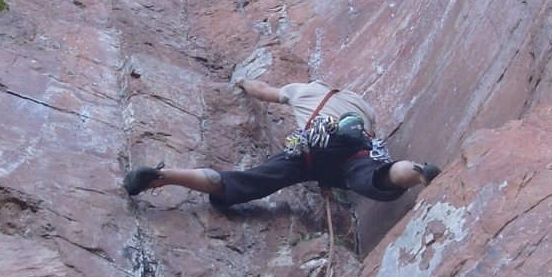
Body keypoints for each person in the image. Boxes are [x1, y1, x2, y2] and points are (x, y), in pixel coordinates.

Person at [124, 77, 439, 206]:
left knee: (245, 182)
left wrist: (243, 82)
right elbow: (370, 137)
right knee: (378, 177)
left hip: (311, 147)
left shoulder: (302, 90)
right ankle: (417, 172)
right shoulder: (362, 105)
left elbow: (263, 91)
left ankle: (163, 177)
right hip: (353, 151)